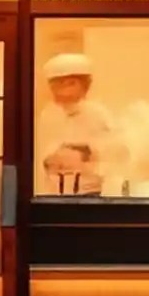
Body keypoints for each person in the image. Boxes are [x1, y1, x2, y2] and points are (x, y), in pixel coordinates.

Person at [36, 53, 118, 196]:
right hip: (53, 193)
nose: (63, 89)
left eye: (70, 83)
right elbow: (39, 153)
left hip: (90, 193)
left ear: (85, 85)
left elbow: (113, 155)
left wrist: (84, 153)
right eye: (57, 84)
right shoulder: (47, 115)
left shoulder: (99, 114)